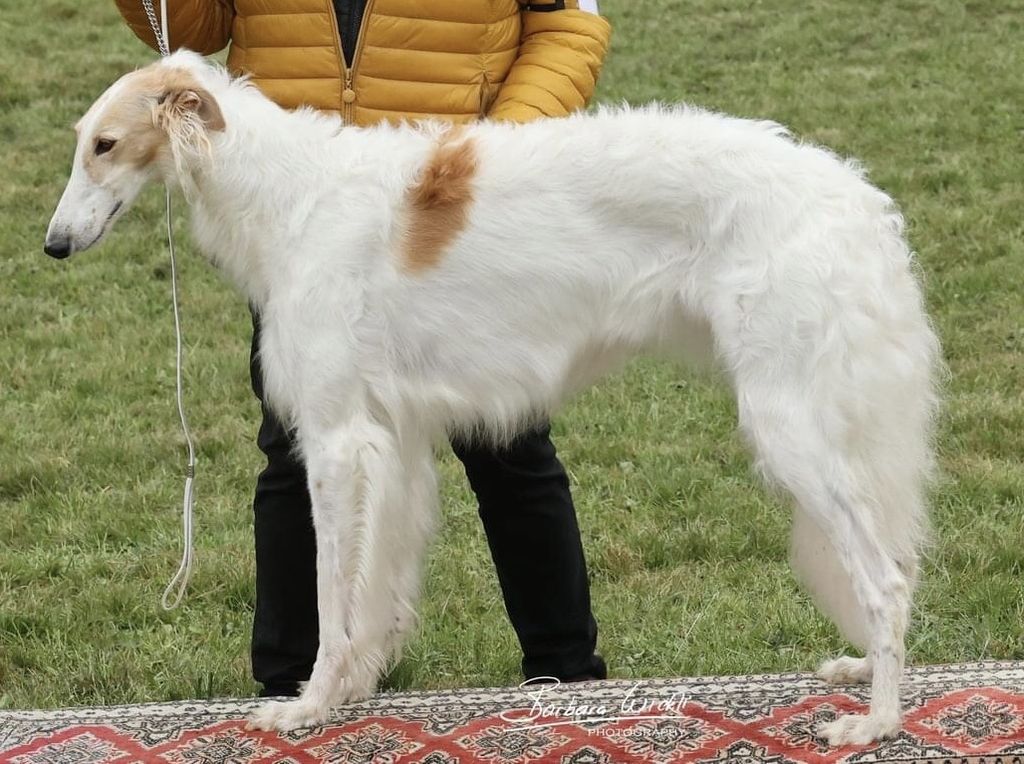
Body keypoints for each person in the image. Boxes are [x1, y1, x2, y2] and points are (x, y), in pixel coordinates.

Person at [114, 0, 613, 698]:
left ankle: (564, 672)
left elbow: (569, 25)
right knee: (297, 446)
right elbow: (194, 26)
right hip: (302, 205)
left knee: (508, 441)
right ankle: (296, 678)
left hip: (451, 202)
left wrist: (501, 150)